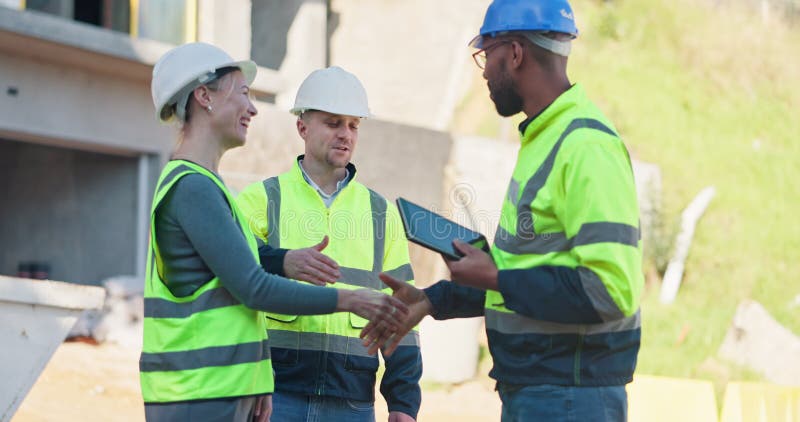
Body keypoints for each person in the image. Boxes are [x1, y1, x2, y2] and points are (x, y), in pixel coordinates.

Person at [366, 1, 644, 420]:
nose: (483, 71)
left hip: (569, 397)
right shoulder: (543, 140)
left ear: (515, 54)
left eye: (487, 54)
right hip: (538, 392)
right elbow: (525, 274)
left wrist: (495, 276)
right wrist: (431, 299)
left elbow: (610, 289)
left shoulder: (585, 147)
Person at [141, 43, 408, 422]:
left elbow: (242, 268)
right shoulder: (195, 188)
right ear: (204, 97)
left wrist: (259, 375)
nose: (252, 109)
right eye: (244, 94)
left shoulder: (207, 187)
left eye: (352, 124)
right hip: (199, 393)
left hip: (220, 392)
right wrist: (348, 300)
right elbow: (253, 287)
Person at [236, 66, 421, 422]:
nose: (346, 134)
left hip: (352, 403)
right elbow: (231, 278)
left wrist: (403, 402)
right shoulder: (260, 201)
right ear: (302, 127)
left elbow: (403, 312)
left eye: (354, 125)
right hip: (273, 398)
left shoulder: (381, 213)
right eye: (334, 122)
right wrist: (282, 260)